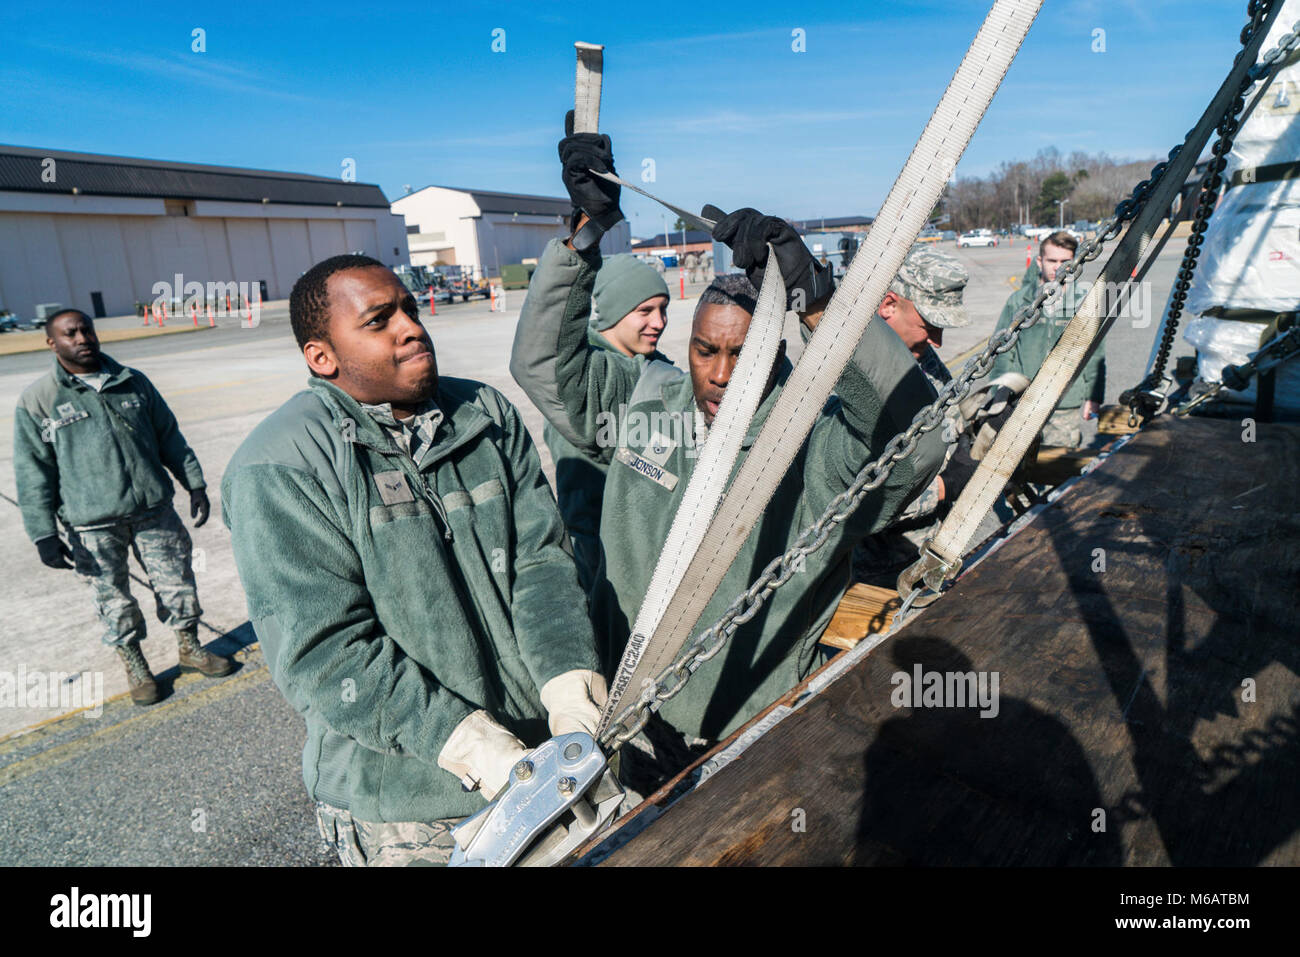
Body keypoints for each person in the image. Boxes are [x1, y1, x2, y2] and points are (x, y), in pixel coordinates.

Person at [511, 119, 945, 784]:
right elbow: (544, 366)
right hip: (625, 722)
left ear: (775, 355)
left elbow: (913, 439)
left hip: (746, 743)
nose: (718, 373)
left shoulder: (814, 439)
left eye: (742, 355)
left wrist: (821, 302)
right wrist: (585, 235)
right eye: (705, 350)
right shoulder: (645, 402)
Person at [221, 254, 605, 866]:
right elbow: (325, 654)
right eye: (379, 320)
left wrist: (569, 690)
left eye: (408, 307)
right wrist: (478, 750)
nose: (411, 327)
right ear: (323, 357)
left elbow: (541, 561)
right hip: (407, 808)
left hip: (538, 760)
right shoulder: (280, 466)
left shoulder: (483, 414)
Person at [13, 309, 227, 707]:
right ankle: (136, 664)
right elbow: (33, 472)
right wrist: (43, 532)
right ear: (51, 342)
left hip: (152, 510)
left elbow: (169, 436)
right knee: (113, 599)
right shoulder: (38, 400)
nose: (82, 338)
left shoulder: (132, 381)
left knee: (178, 584)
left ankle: (189, 647)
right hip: (90, 524)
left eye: (86, 329)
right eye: (70, 333)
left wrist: (193, 482)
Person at [854, 248, 982, 587]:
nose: (938, 341)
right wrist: (944, 487)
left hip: (929, 552)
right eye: (930, 326)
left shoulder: (917, 353)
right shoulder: (851, 377)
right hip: (875, 572)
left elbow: (949, 416)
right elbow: (856, 499)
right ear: (888, 306)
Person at [542, 255, 671, 592]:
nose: (659, 322)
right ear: (612, 312)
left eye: (663, 309)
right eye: (645, 311)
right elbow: (584, 503)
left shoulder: (651, 365)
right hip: (605, 557)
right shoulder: (587, 384)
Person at [990, 230, 1104, 448]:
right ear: (1040, 261)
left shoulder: (1083, 303)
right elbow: (1004, 352)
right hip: (1023, 402)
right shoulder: (1019, 301)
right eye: (1052, 260)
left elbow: (1095, 353)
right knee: (1015, 469)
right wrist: (999, 394)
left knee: (1058, 468)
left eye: (1065, 261)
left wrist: (1094, 395)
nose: (1058, 267)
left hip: (1064, 404)